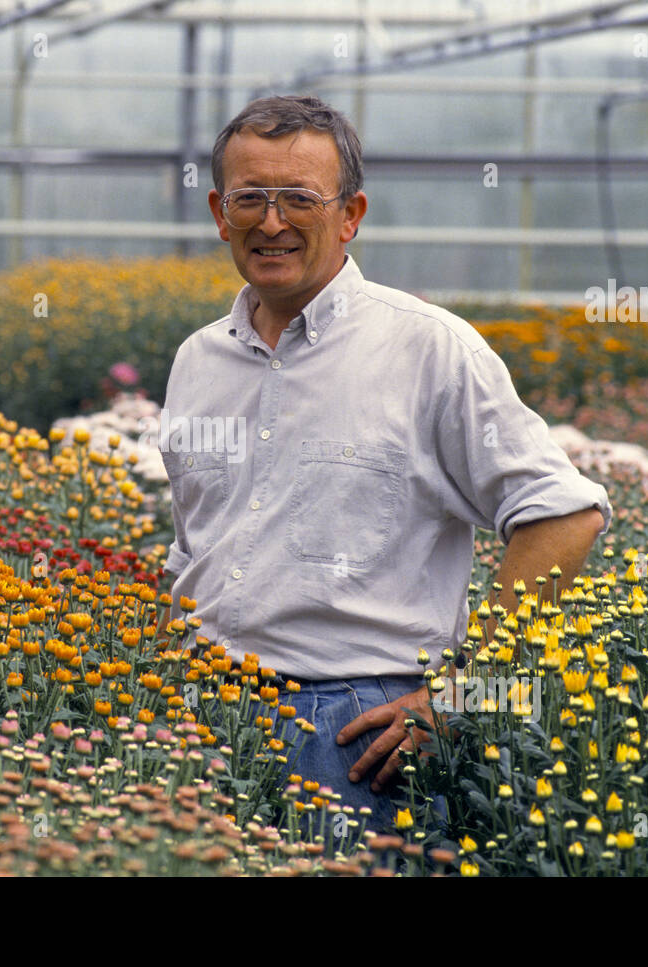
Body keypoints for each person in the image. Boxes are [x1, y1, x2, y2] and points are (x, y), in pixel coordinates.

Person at [158, 94, 612, 836]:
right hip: (201, 719)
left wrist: (465, 697)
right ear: (218, 210)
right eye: (250, 198)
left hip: (353, 739)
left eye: (299, 198)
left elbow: (564, 514)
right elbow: (195, 539)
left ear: (351, 214)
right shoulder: (198, 358)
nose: (270, 222)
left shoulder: (428, 349)